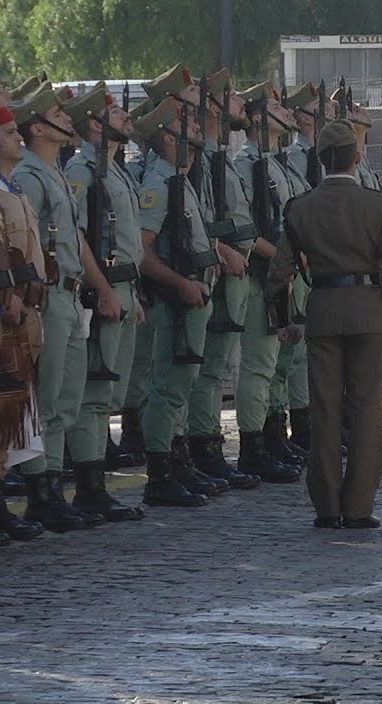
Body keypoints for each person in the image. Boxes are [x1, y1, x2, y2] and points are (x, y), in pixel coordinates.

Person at [266, 120, 382, 528]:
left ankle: (326, 507)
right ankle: (359, 506)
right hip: (367, 314)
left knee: (324, 411)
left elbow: (279, 274)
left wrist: (282, 321)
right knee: (366, 410)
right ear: (357, 158)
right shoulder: (376, 205)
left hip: (324, 312)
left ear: (320, 160)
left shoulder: (300, 207)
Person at [12, 82, 117, 532]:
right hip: (50, 296)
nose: (67, 120)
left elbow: (77, 240)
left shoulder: (54, 173)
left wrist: (102, 287)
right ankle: (41, 491)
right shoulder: (30, 177)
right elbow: (22, 245)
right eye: (57, 113)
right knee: (49, 397)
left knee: (68, 398)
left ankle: (54, 485)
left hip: (72, 295)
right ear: (38, 126)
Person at [60, 84, 146, 521]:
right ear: (95, 124)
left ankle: (96, 483)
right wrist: (107, 290)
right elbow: (78, 241)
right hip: (103, 290)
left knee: (107, 390)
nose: (127, 120)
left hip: (124, 288)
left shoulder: (115, 170)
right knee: (93, 392)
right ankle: (89, 486)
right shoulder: (80, 172)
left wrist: (134, 292)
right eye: (116, 114)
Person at [133, 96, 220, 507]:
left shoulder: (181, 179)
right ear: (169, 137)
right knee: (168, 385)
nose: (197, 129)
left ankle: (179, 462)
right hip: (175, 299)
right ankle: (160, 474)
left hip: (193, 295)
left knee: (181, 385)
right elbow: (142, 252)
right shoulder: (160, 183)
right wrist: (180, 285)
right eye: (187, 124)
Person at [182, 69, 261, 491]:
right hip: (218, 269)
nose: (241, 105)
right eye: (231, 98)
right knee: (204, 369)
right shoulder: (204, 158)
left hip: (232, 269)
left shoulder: (218, 155)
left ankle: (207, 446)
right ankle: (200, 448)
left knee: (214, 368)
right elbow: (195, 221)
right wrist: (222, 252)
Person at [232, 82, 307, 482]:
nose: (288, 112)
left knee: (280, 362)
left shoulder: (280, 163)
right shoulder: (247, 164)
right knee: (259, 365)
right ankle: (253, 447)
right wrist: (285, 258)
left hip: (287, 273)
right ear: (259, 119)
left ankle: (275, 437)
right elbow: (248, 231)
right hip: (266, 275)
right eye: (278, 106)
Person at [0, 103, 45, 543]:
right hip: (4, 309)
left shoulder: (11, 188)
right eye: (9, 133)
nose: (18, 138)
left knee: (8, 409)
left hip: (20, 312)